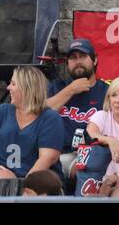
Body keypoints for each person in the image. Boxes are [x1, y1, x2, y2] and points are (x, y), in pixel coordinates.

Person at [0, 65, 66, 181]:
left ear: (27, 88)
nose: (8, 87)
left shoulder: (50, 118)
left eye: (13, 84)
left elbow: (47, 158)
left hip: (37, 179)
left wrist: (25, 186)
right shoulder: (2, 111)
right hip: (0, 176)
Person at [45, 38, 109, 181]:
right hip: (55, 154)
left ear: (95, 60)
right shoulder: (56, 87)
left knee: (86, 167)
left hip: (91, 154)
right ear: (67, 63)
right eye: (73, 58)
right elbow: (38, 113)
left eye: (83, 56)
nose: (78, 61)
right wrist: (70, 90)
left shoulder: (107, 92)